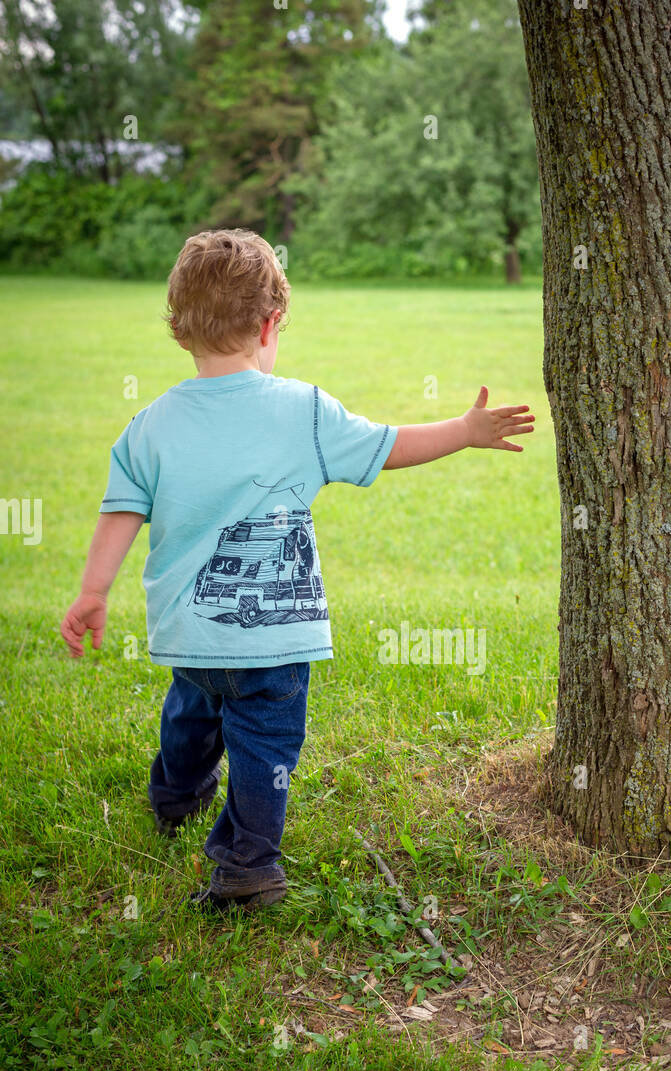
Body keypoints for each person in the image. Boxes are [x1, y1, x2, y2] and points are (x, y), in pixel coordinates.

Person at [60, 229, 534, 911]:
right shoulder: (302, 409)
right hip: (274, 639)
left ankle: (174, 796)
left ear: (177, 326)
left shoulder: (149, 424)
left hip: (190, 635)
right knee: (264, 744)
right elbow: (387, 445)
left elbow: (120, 511)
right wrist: (464, 430)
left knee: (193, 709)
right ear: (270, 322)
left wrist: (92, 592)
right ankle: (247, 866)